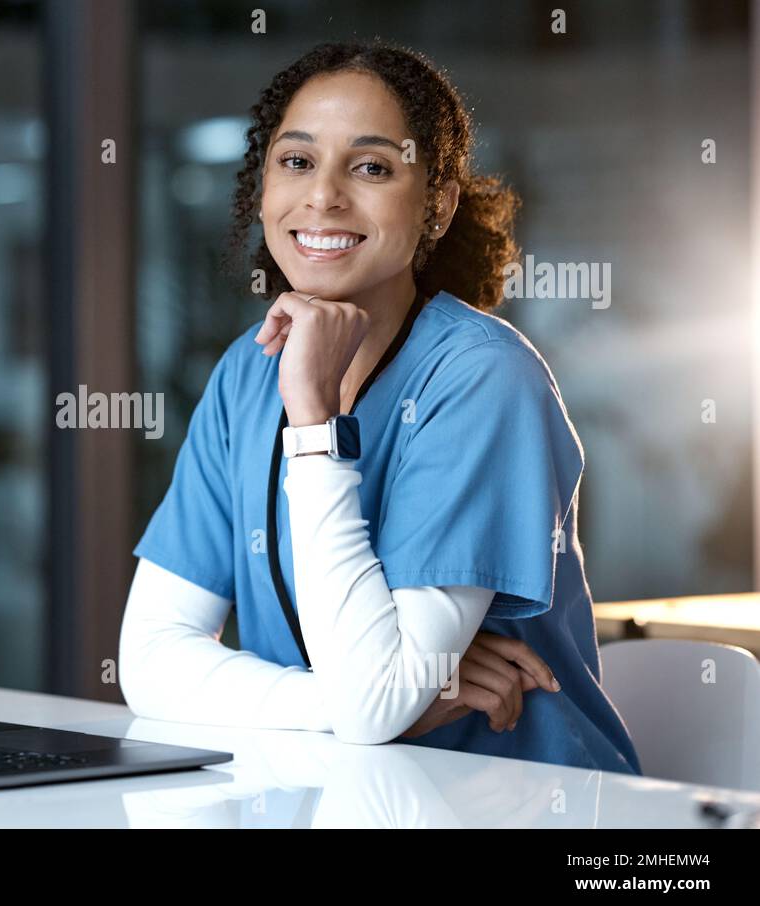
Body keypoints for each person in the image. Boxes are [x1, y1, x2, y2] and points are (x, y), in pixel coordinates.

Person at [119, 41, 641, 775]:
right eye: (296, 161)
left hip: (517, 800)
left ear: (437, 206)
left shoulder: (482, 378)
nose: (323, 196)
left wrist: (312, 423)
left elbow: (374, 706)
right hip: (341, 794)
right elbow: (149, 663)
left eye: (371, 167)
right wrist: (353, 702)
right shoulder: (245, 373)